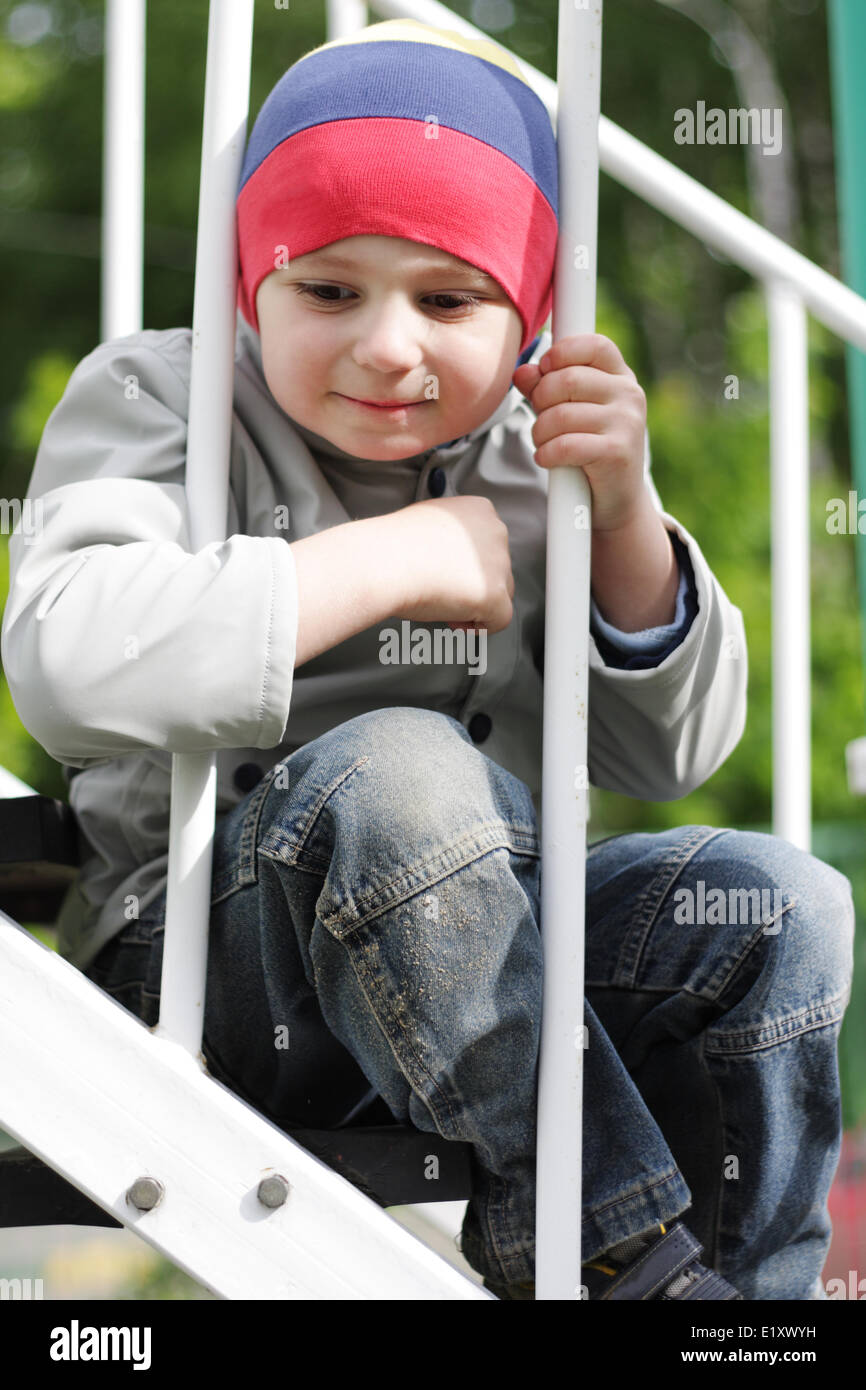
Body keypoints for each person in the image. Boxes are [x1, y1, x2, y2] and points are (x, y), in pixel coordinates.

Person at [1, 18, 854, 1301]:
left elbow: (671, 748)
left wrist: (623, 515)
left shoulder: (531, 456)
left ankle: (744, 1303)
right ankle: (621, 1256)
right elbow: (67, 656)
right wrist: (397, 560)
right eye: (328, 289)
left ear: (521, 321)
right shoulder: (167, 397)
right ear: (249, 288)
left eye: (448, 299)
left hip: (490, 972)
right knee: (395, 771)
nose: (388, 347)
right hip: (211, 960)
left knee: (773, 899)